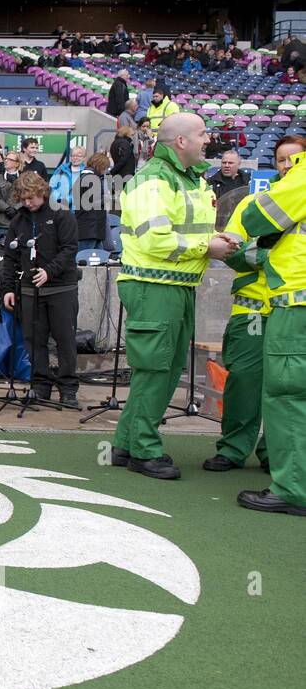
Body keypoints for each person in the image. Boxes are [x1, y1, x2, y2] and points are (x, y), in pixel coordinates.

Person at [113, 113, 238, 480]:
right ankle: (144, 450)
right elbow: (156, 239)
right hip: (155, 286)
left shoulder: (189, 179)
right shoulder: (154, 180)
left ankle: (125, 443)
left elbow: (188, 231)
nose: (207, 140)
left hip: (175, 285)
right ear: (181, 142)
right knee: (157, 370)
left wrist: (215, 239)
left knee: (160, 370)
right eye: (201, 134)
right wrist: (207, 247)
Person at [207, 135, 306, 479]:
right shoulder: (254, 201)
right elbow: (232, 250)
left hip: (289, 307)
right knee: (244, 380)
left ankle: (273, 453)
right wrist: (267, 257)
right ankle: (233, 447)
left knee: (283, 387)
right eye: (281, 159)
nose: (286, 165)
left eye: (294, 159)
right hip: (251, 307)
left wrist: (265, 258)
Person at [0, 171, 80, 407]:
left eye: (31, 198)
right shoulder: (18, 221)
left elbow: (69, 249)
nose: (28, 203)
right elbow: (10, 257)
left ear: (42, 193)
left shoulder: (62, 215)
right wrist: (8, 288)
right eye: (23, 199)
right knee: (34, 341)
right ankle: (40, 385)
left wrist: (49, 271)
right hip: (28, 290)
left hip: (61, 288)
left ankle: (68, 389)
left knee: (65, 340)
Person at [74, 152, 111, 252]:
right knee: (86, 260)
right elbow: (92, 202)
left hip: (93, 227)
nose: (106, 171)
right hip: (90, 227)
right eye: (105, 168)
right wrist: (108, 198)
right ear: (100, 166)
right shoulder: (90, 178)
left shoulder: (86, 177)